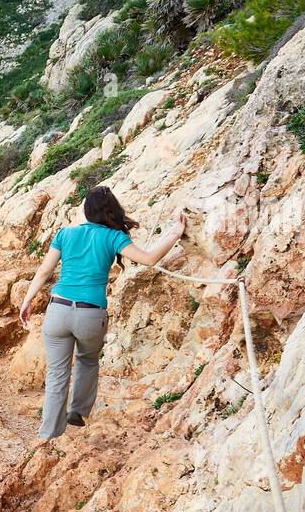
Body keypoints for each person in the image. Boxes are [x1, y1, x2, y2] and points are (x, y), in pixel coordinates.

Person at [17, 186, 185, 440]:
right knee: (87, 359)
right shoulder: (113, 237)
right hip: (90, 315)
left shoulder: (65, 233)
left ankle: (48, 435)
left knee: (57, 373)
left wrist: (27, 301)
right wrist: (174, 234)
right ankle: (78, 411)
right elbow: (149, 259)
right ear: (111, 211)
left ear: (86, 211)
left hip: (58, 310)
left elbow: (43, 272)